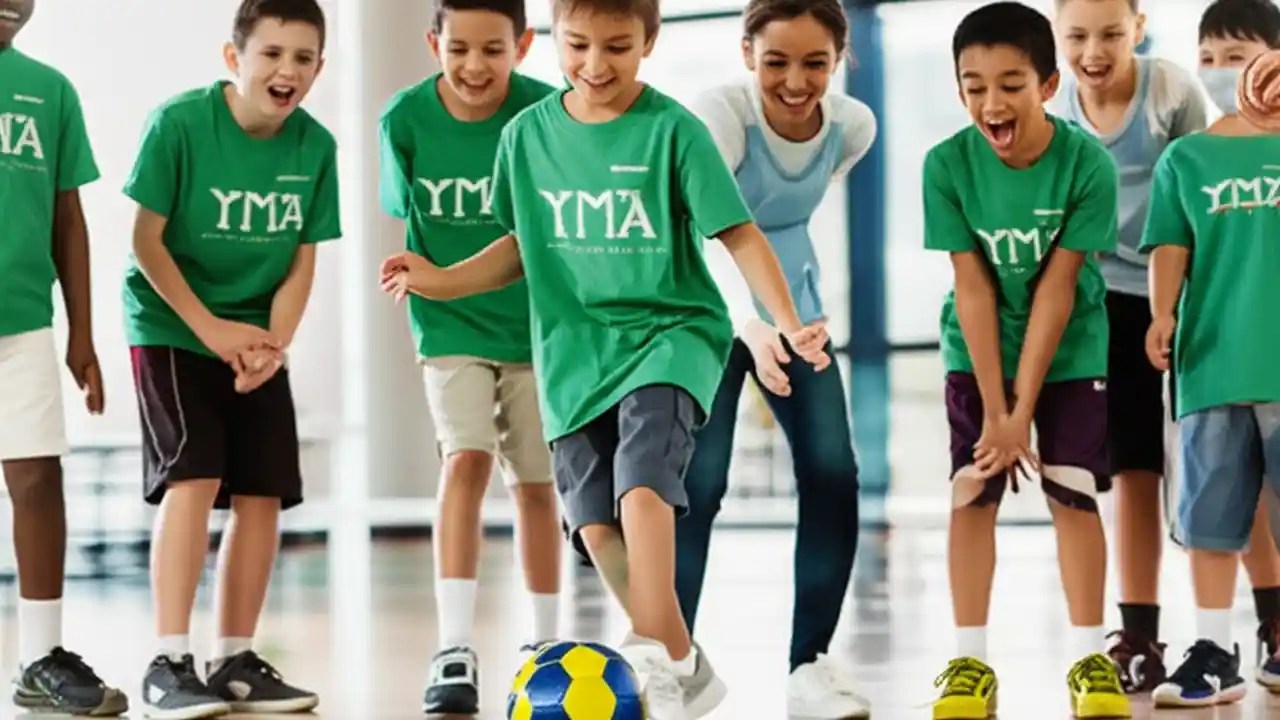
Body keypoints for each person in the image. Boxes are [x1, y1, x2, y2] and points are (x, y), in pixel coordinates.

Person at [379, 0, 830, 713]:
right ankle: (684, 659)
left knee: (641, 483)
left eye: (617, 46)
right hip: (573, 355)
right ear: (553, 42)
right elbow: (521, 247)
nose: (595, 65)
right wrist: (439, 278)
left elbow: (738, 234)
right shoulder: (527, 136)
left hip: (668, 338)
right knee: (592, 522)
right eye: (578, 45)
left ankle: (648, 649)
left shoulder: (673, 131)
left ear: (648, 42)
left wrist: (789, 319)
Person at [121, 0, 339, 716]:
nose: (287, 71)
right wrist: (210, 328)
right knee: (194, 475)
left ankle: (233, 658)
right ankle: (169, 658)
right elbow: (145, 243)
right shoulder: (179, 124)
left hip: (253, 338)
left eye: (303, 59)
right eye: (272, 54)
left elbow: (301, 261)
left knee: (263, 491)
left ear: (318, 69)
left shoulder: (316, 146)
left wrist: (271, 346)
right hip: (173, 325)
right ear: (233, 58)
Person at [922, 3, 1130, 719]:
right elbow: (973, 287)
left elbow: (1058, 289)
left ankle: (1087, 661)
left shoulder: (1087, 164)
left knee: (1072, 489)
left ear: (1047, 85)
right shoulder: (946, 164)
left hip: (1068, 344)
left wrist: (1022, 410)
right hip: (974, 348)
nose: (991, 102)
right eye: (973, 85)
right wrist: (998, 412)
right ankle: (969, 662)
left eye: (1010, 84)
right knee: (971, 490)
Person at [672, 0, 874, 716]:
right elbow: (711, 228)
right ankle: (674, 661)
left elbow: (791, 217)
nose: (795, 80)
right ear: (746, 52)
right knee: (696, 482)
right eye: (776, 61)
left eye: (815, 62)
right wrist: (748, 325)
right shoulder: (719, 114)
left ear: (839, 59)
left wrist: (789, 316)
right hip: (705, 310)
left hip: (796, 315)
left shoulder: (852, 126)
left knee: (831, 472)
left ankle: (809, 664)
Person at [377, 0, 561, 714]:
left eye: (494, 50)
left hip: (536, 328)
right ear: (434, 44)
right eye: (459, 49)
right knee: (467, 458)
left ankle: (544, 645)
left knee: (538, 484)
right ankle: (453, 645)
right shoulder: (403, 119)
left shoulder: (548, 114)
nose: (475, 66)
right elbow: (408, 218)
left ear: (523, 45)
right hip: (449, 324)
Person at [1140, 26, 1280, 711]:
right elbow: (1170, 243)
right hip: (1212, 366)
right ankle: (1215, 648)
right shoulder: (1186, 159)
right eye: (1211, 59)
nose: (1225, 71)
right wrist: (1163, 315)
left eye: (1241, 55)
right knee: (1211, 517)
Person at [0, 0, 127, 715]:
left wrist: (82, 334)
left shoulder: (49, 90)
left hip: (21, 323)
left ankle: (38, 656)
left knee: (37, 478)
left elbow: (67, 217)